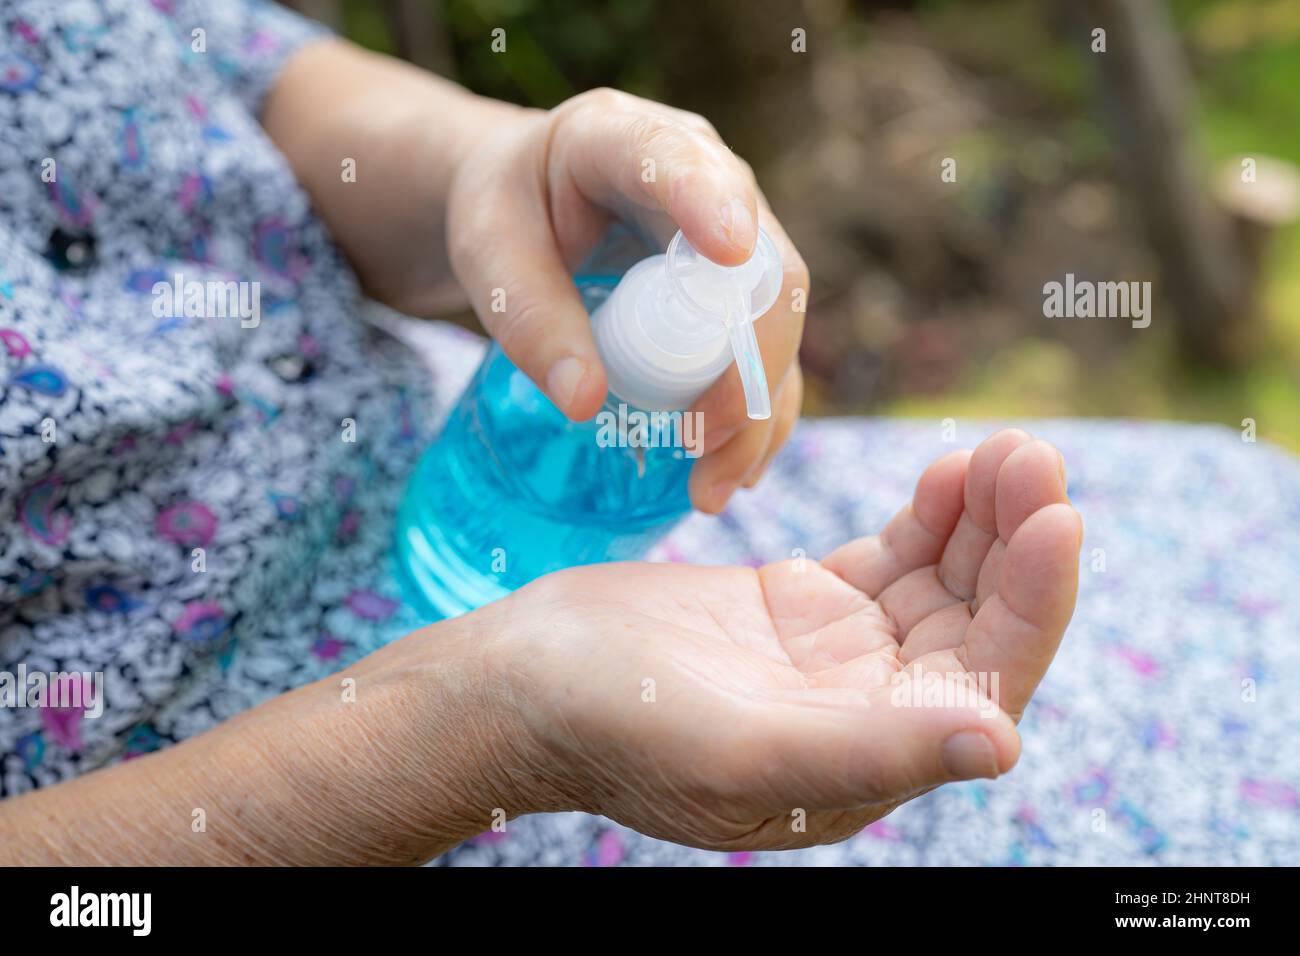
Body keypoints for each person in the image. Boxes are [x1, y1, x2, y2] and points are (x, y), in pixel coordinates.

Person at [0, 0, 1080, 864]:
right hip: (326, 770)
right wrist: (487, 732)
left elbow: (259, 88)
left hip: (539, 555)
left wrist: (510, 161)